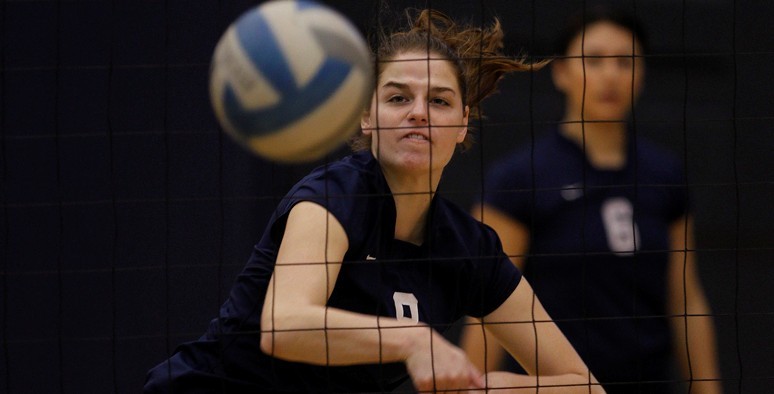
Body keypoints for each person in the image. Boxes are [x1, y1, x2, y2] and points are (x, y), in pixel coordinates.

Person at [144, 8, 605, 394]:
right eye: (398, 97)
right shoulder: (331, 198)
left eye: (440, 101)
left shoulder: (468, 248)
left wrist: (478, 384)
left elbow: (583, 385)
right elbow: (283, 325)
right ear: (367, 116)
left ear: (464, 124)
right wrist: (412, 340)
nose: (419, 112)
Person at [460, 5, 723, 394]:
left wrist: (708, 388)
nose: (611, 76)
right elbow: (488, 307)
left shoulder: (664, 174)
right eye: (594, 60)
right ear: (562, 72)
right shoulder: (519, 178)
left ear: (642, 73)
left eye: (625, 61)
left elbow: (685, 295)